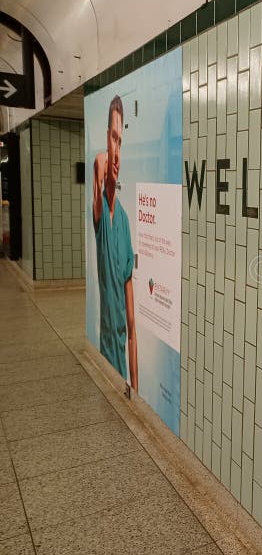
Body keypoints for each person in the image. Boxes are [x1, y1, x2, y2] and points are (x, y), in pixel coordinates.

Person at [93, 95, 138, 389]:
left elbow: (132, 330)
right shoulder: (100, 212)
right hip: (105, 358)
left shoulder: (124, 221)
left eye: (121, 142)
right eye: (113, 138)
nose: (117, 152)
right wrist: (99, 169)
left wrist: (136, 390)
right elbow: (98, 181)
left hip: (122, 368)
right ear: (106, 139)